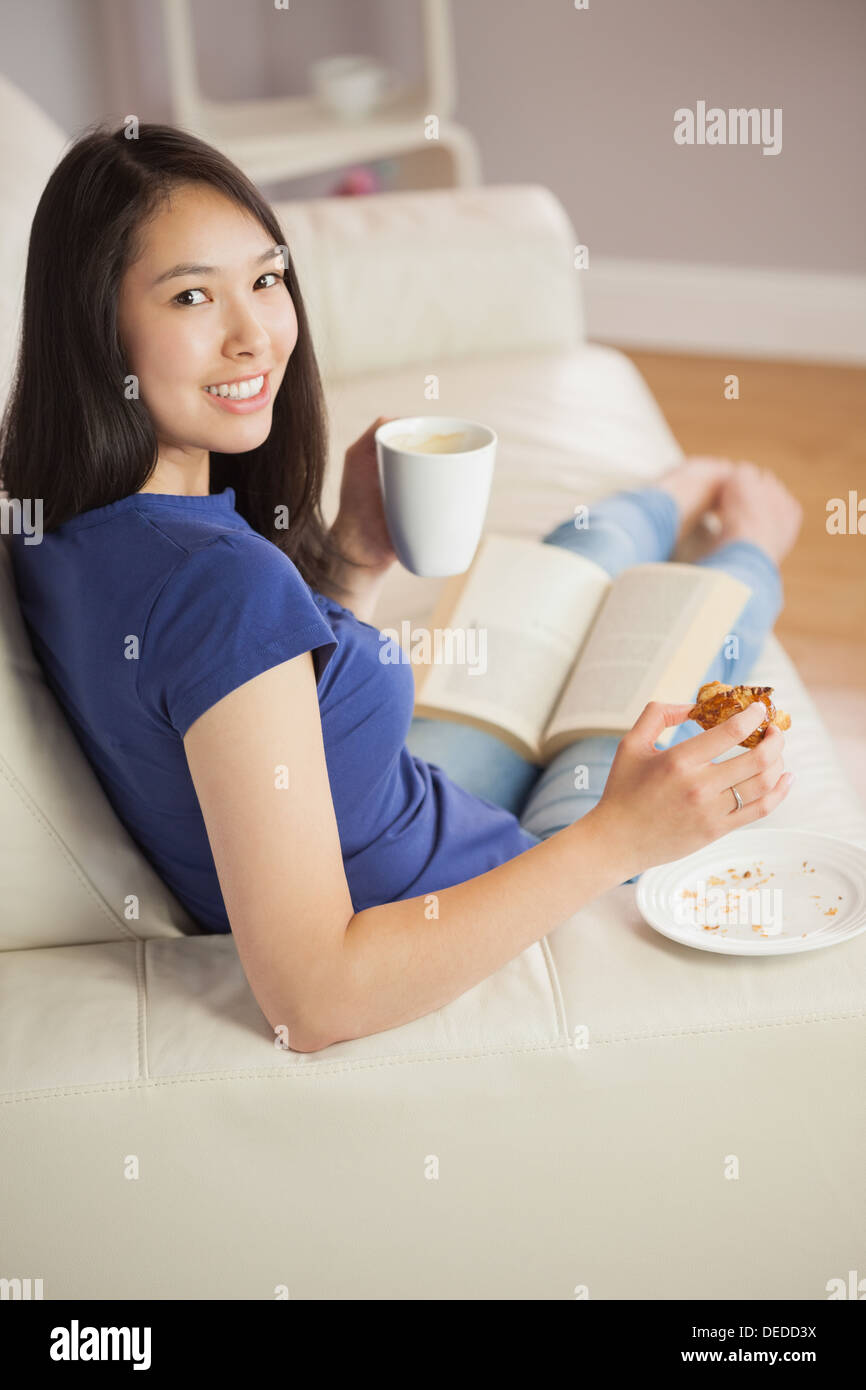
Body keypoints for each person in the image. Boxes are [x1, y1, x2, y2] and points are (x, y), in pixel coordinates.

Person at [1, 125, 800, 1055]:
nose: (256, 333)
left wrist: (354, 555)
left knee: (555, 583)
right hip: (493, 885)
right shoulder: (216, 582)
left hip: (390, 788)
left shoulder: (55, 523)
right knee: (678, 623)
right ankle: (751, 535)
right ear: (99, 332)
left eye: (266, 278)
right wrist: (618, 840)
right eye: (191, 295)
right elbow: (315, 999)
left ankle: (666, 496)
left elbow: (238, 696)